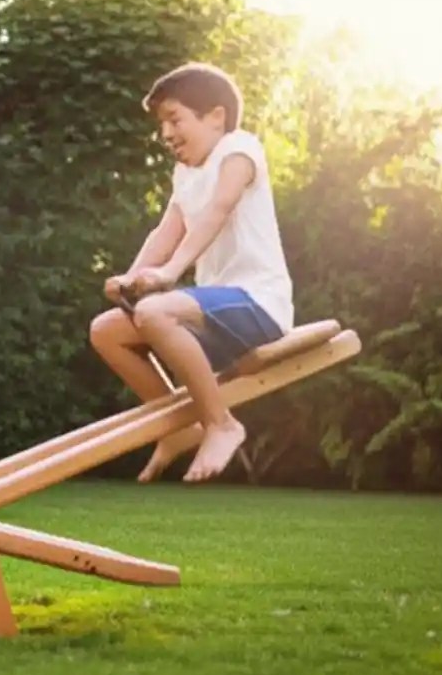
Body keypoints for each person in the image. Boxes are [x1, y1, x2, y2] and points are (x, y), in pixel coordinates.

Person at [88, 62, 293, 484]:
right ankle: (181, 427)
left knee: (156, 312)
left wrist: (169, 274)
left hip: (258, 305)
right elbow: (167, 230)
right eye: (162, 124)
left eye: (174, 119)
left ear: (215, 116)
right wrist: (131, 279)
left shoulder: (239, 149)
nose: (165, 134)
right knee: (106, 330)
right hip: (211, 317)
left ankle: (221, 424)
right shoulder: (186, 173)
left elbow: (218, 209)